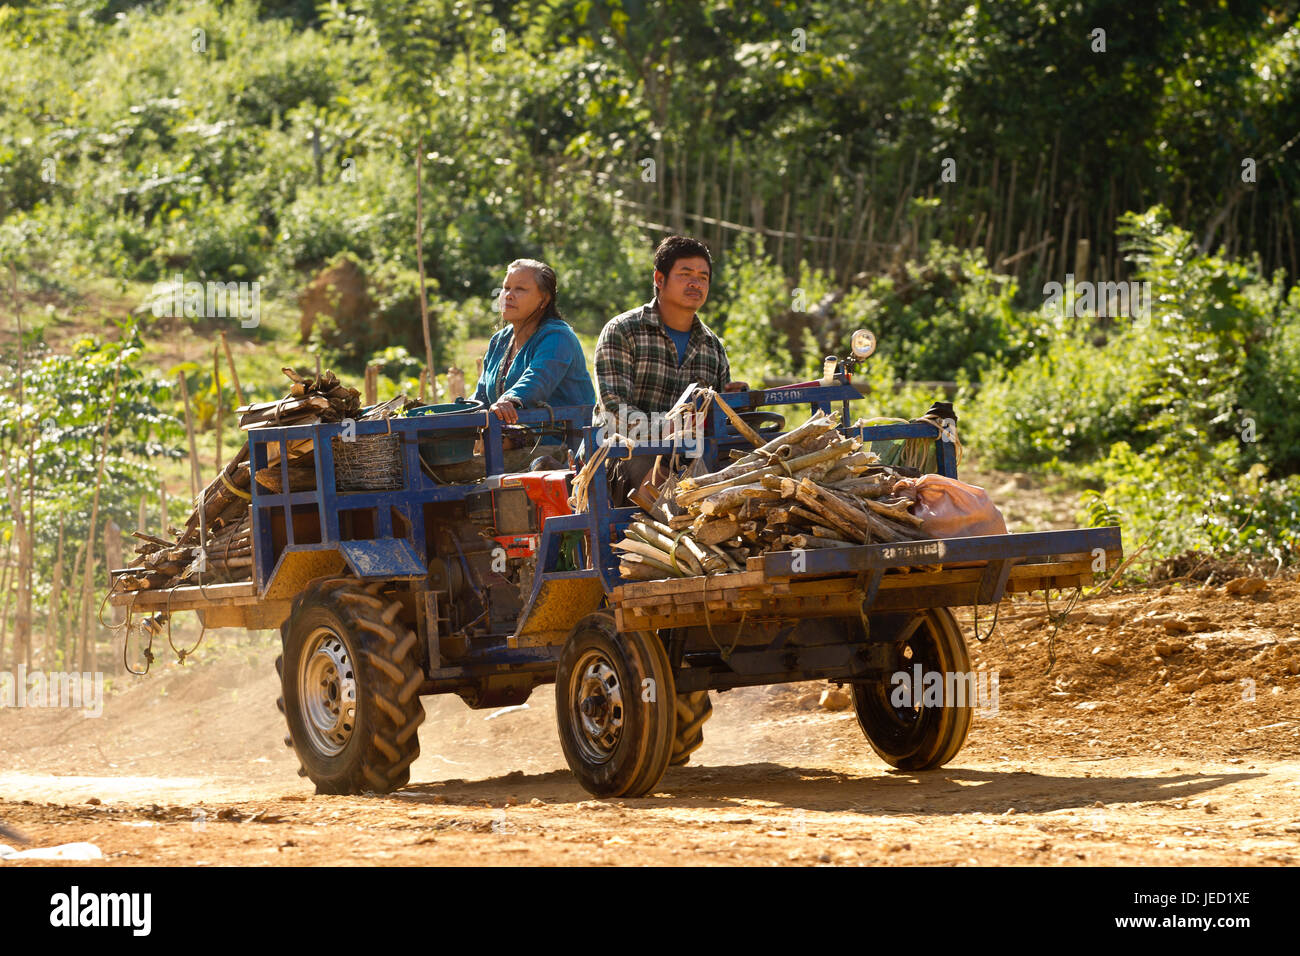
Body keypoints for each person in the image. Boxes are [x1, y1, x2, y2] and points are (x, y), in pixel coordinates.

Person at [594, 235, 746, 496]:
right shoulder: (623, 331)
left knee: (742, 473)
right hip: (622, 455)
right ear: (659, 279)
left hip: (691, 456)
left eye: (703, 277)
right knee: (662, 475)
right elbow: (614, 409)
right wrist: (666, 428)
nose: (695, 283)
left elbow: (715, 417)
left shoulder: (712, 346)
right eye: (685, 274)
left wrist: (730, 403)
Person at [473, 258, 597, 422]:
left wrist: (509, 400)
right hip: (511, 438)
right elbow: (480, 398)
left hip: (567, 441)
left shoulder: (558, 337)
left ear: (544, 300)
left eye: (520, 289)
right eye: (506, 288)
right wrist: (455, 411)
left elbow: (536, 382)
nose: (508, 295)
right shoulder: (499, 341)